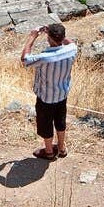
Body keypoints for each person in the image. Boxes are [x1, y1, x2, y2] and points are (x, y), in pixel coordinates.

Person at [22, 23, 78, 160]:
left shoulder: (44, 57)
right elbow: (69, 42)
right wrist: (55, 34)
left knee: (45, 124)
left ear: (50, 39)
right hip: (62, 94)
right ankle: (62, 148)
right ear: (62, 37)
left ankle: (48, 152)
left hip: (46, 97)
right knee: (60, 121)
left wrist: (32, 37)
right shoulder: (72, 49)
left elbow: (24, 60)